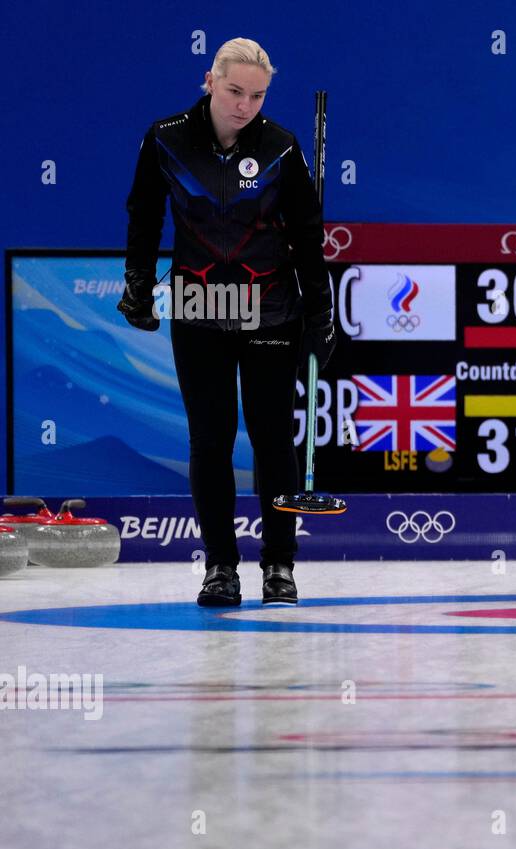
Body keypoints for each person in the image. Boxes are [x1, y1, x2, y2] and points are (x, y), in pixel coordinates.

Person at [117, 37, 336, 607]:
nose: (245, 104)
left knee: (271, 439)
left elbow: (309, 238)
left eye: (257, 95)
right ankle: (220, 568)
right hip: (200, 310)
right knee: (210, 440)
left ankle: (280, 568)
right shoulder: (164, 138)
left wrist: (322, 313)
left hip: (271, 310)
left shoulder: (282, 148)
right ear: (209, 81)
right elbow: (143, 216)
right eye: (235, 90)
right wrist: (138, 286)